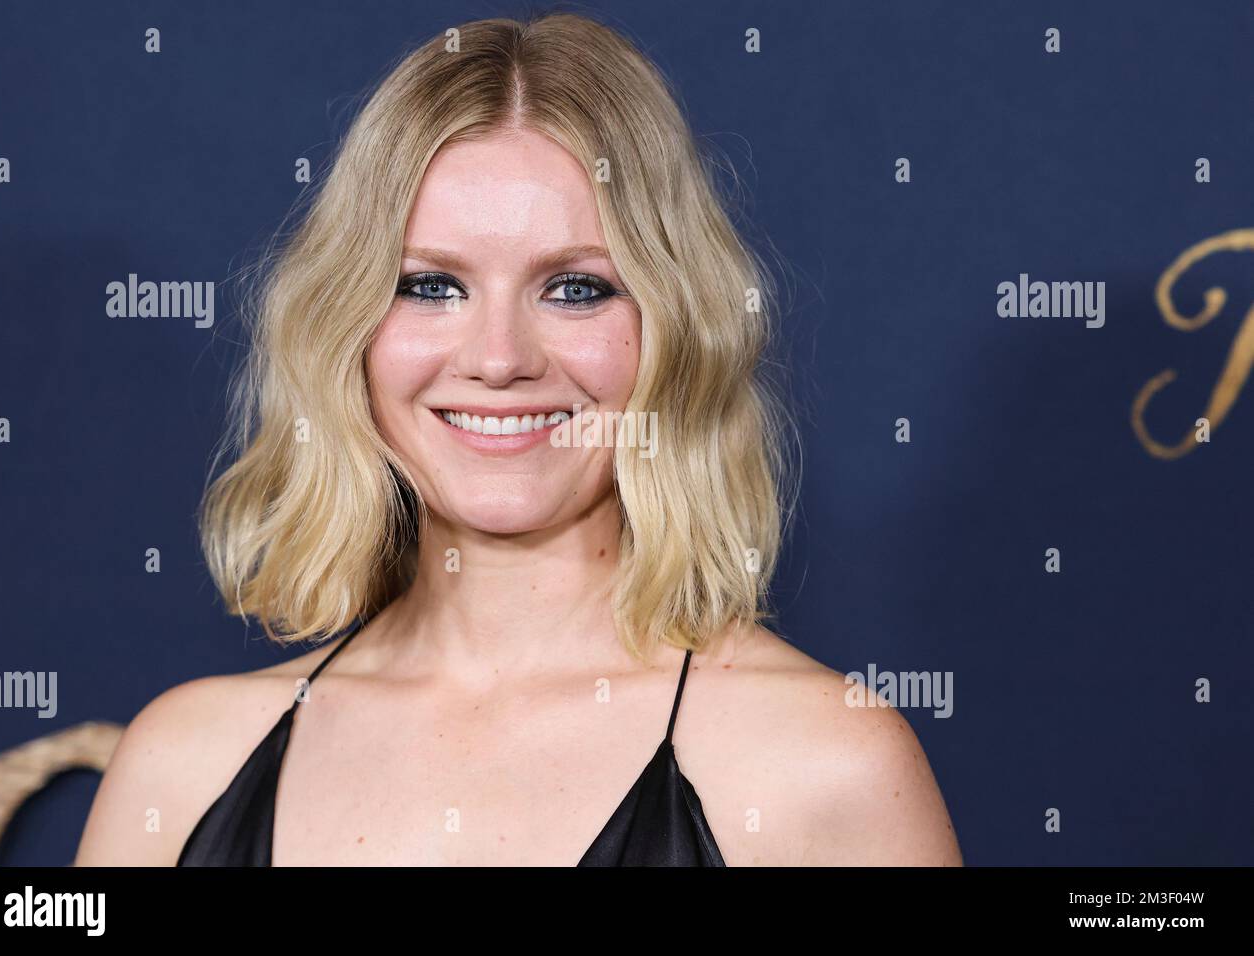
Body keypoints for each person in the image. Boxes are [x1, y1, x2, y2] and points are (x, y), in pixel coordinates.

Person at [75, 12, 962, 866]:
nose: (499, 359)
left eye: (575, 289)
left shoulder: (823, 766)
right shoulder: (183, 767)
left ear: (677, 329)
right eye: (430, 286)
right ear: (348, 329)